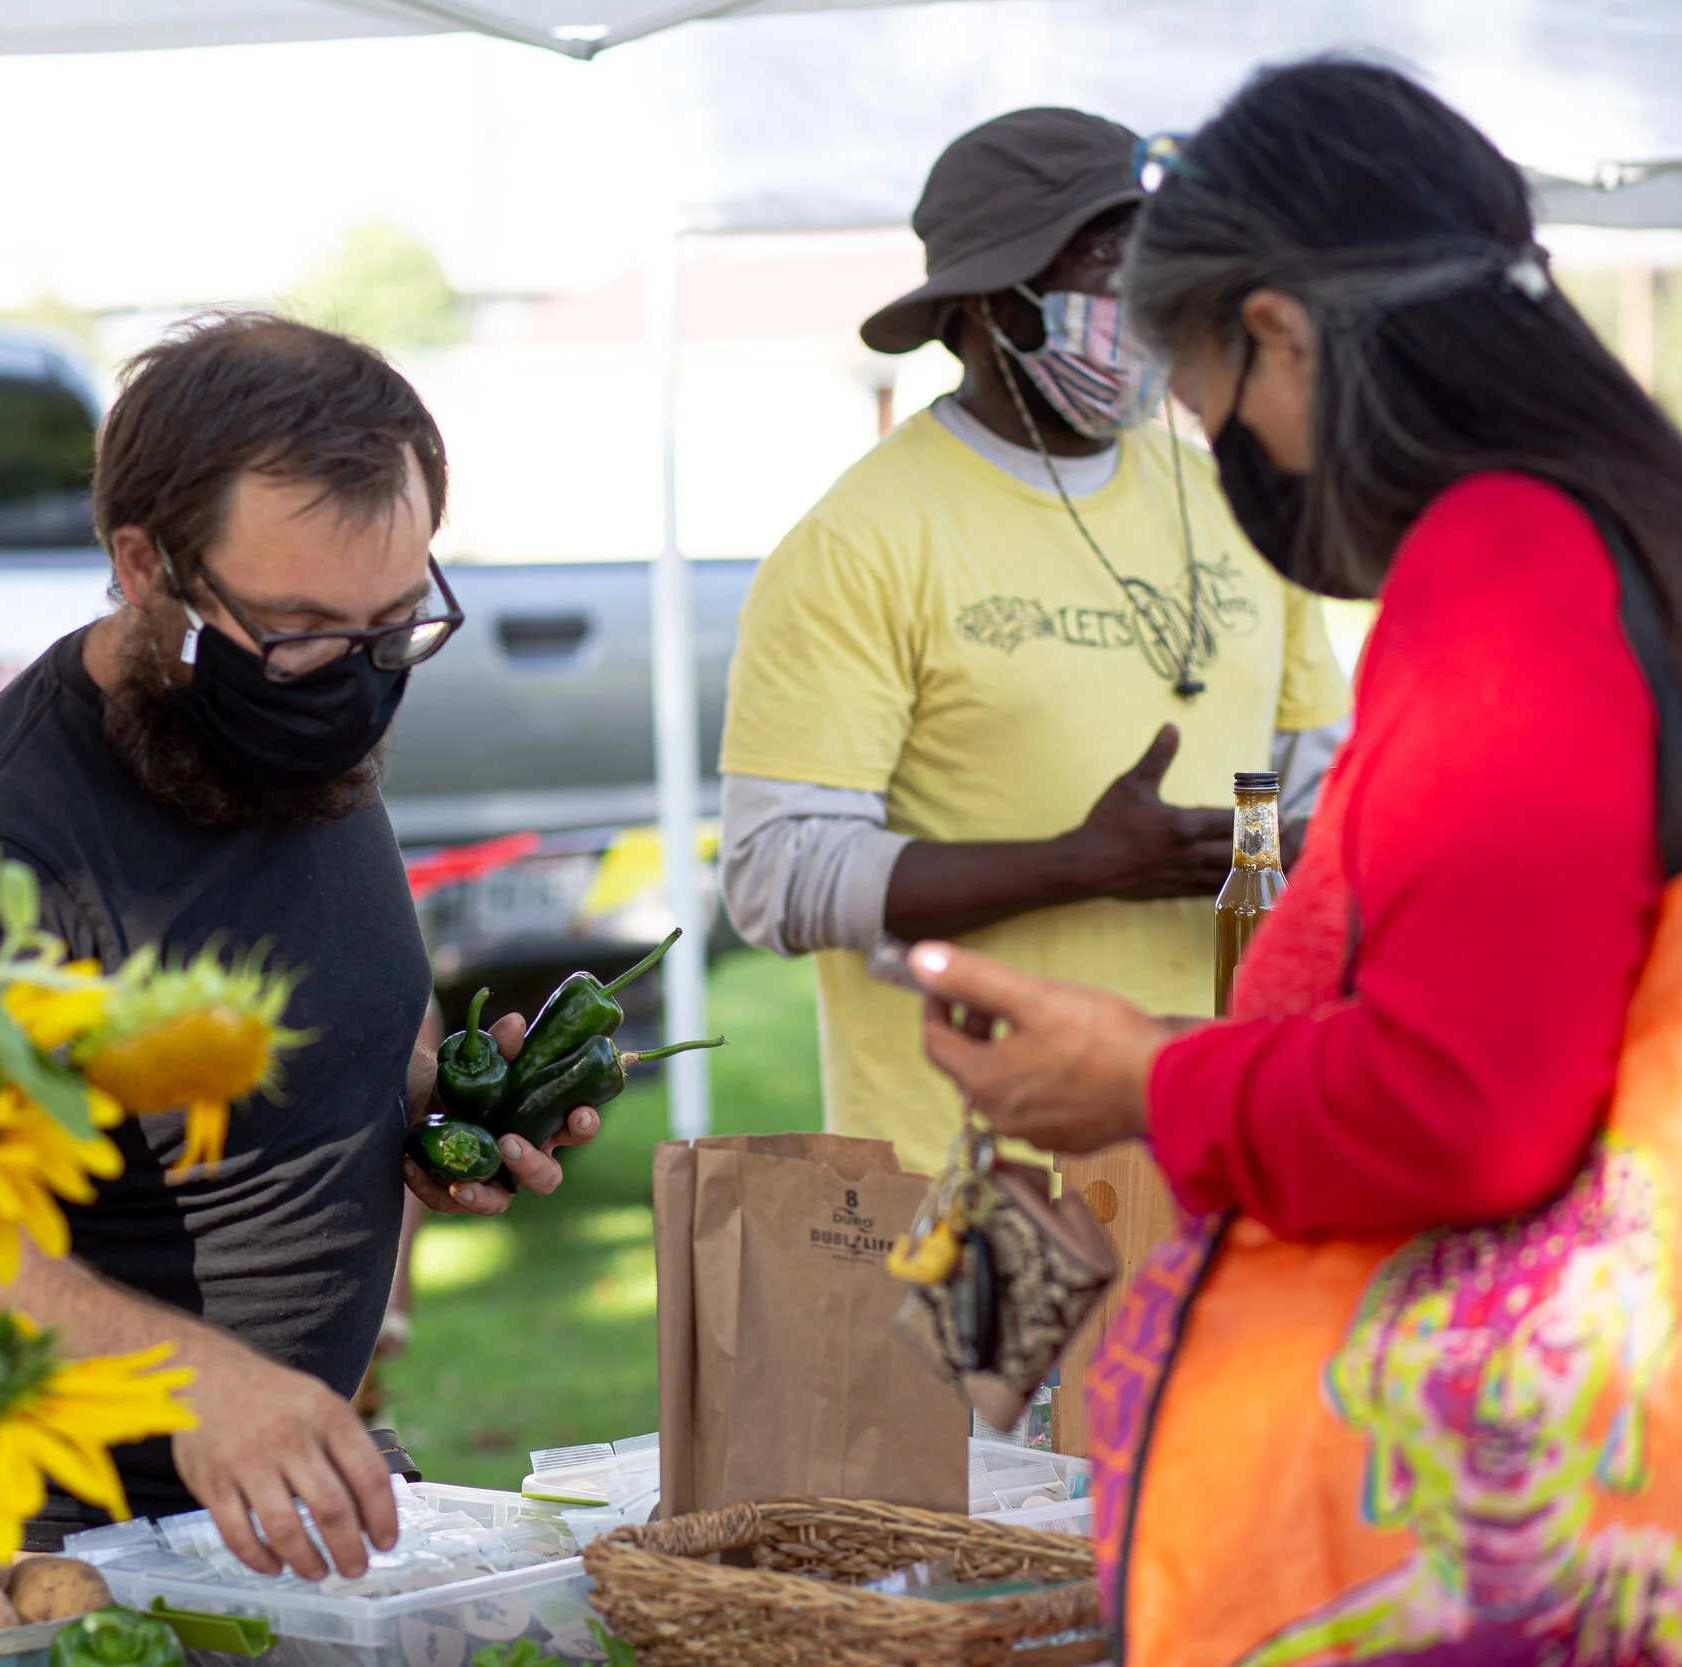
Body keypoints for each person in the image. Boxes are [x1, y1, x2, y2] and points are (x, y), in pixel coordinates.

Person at [910, 60, 1682, 1665]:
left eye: (1214, 410)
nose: (1237, 460)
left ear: (1280, 330)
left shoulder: (1507, 559)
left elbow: (1461, 1106)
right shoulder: (1613, 528)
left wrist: (1145, 1079)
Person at [0, 313, 600, 1585]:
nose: (346, 680)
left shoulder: (301, 742)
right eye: (293, 632)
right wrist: (210, 1384)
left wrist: (428, 1117)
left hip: (247, 1530)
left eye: (390, 628)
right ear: (143, 562)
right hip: (5, 1553)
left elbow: (327, 1036)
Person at [718, 106, 1354, 1177]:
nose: (1146, 296)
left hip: (1218, 1138)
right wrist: (1081, 864)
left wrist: (1272, 847)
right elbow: (774, 874)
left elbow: (1322, 781)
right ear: (984, 299)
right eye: (1107, 257)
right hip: (965, 1185)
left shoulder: (1239, 497)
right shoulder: (859, 540)